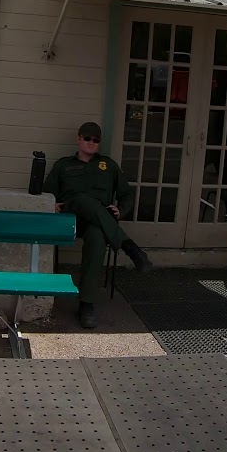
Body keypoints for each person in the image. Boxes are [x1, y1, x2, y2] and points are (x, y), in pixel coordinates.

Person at [43, 121, 153, 329]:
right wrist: (52, 204)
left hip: (97, 222)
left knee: (98, 237)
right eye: (87, 138)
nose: (91, 143)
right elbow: (47, 192)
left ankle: (86, 303)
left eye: (96, 140)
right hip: (71, 216)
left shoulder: (108, 166)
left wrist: (122, 210)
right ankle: (130, 247)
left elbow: (126, 194)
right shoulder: (64, 165)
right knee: (84, 200)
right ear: (79, 138)